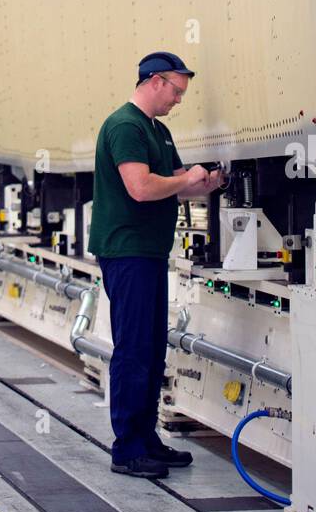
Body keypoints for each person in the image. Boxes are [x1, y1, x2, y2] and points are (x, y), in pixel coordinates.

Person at [88, 50, 225, 478]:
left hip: (148, 251)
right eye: (177, 90)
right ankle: (127, 449)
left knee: (151, 345)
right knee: (132, 348)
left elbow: (172, 187)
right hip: (126, 251)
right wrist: (187, 179)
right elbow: (141, 188)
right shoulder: (126, 126)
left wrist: (205, 183)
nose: (179, 100)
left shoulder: (158, 131)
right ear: (155, 81)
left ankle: (147, 440)